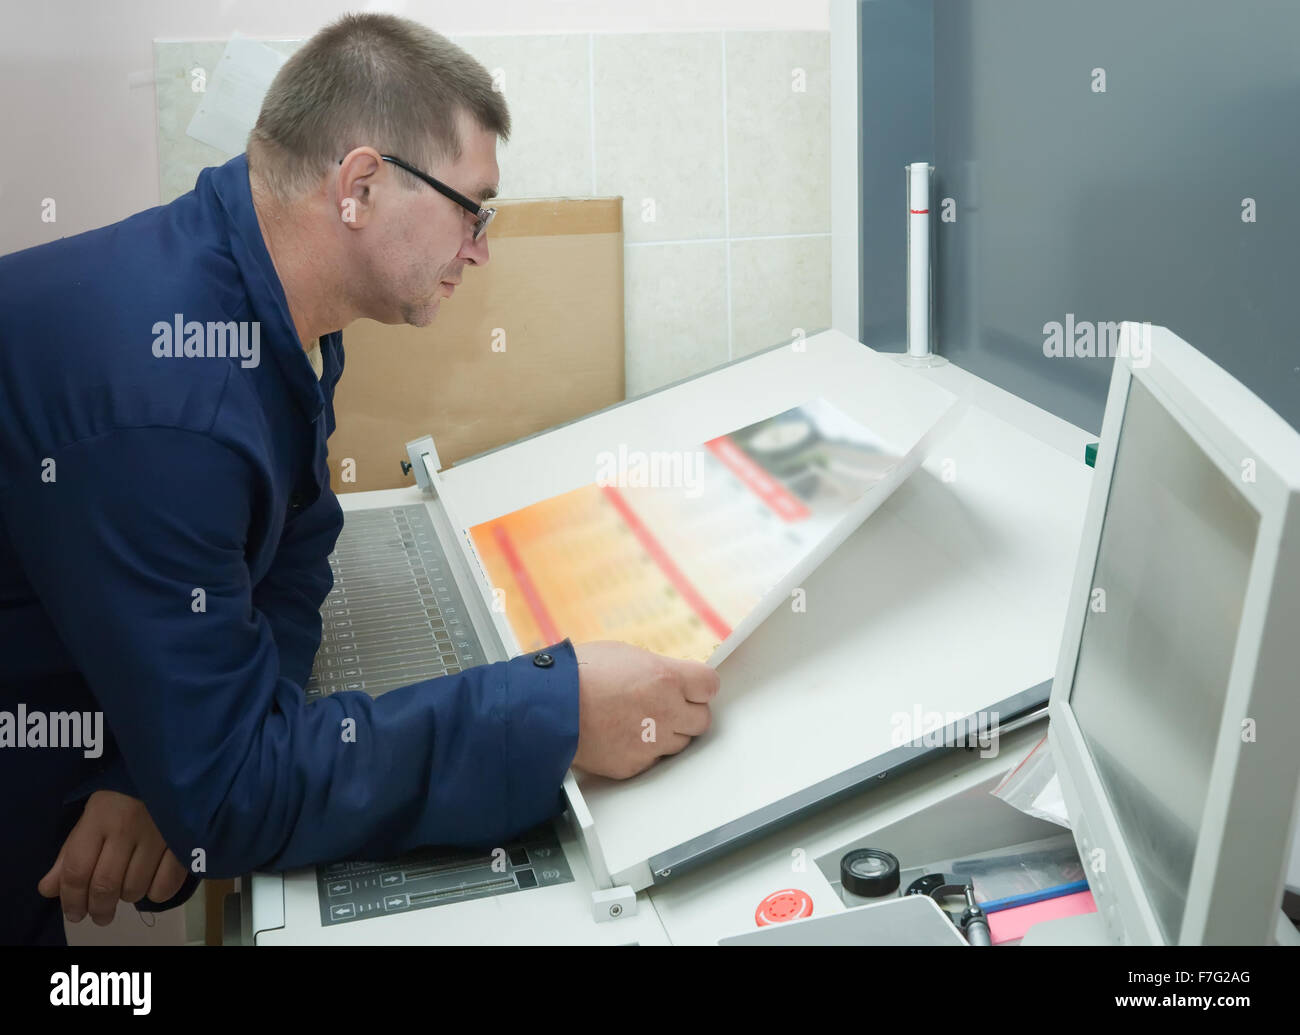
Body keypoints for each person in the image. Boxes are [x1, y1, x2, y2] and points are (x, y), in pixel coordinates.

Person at [0, 13, 718, 945]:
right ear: (362, 186)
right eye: (475, 207)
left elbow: (293, 554)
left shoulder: (271, 306)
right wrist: (555, 714)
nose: (481, 246)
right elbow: (233, 801)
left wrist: (159, 759)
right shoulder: (172, 402)